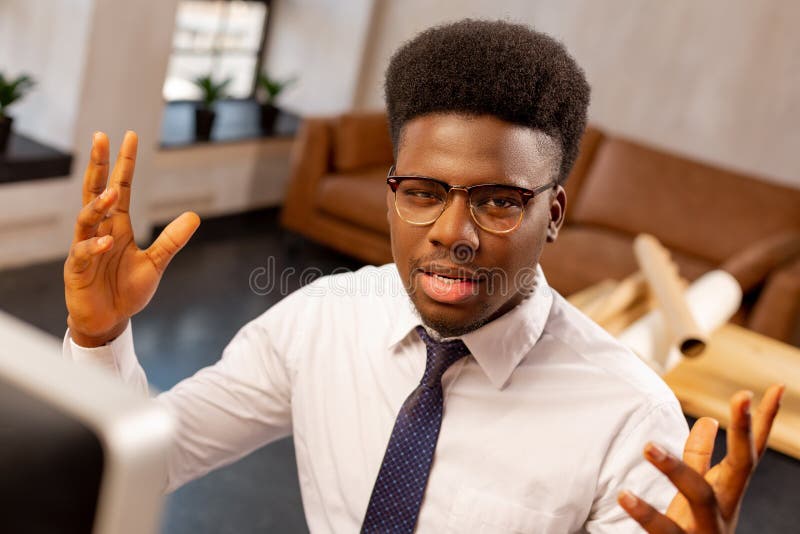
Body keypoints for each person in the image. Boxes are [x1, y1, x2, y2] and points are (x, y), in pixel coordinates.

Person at [62, 19, 782, 533]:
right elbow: (152, 456)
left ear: (554, 214)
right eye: (423, 192)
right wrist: (99, 335)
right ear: (393, 193)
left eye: (499, 202)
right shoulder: (322, 320)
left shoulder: (631, 417)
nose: (451, 233)